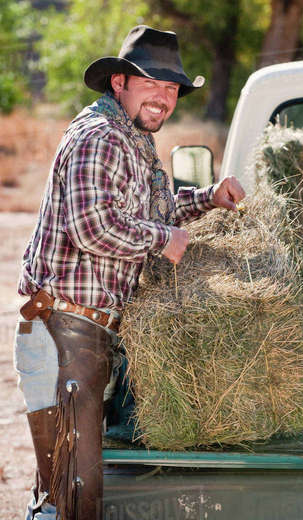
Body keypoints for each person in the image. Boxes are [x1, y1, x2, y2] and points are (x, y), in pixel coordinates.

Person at [15, 25, 245, 520]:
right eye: (151, 84)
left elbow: (154, 214)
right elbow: (91, 227)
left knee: (74, 492)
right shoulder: (99, 137)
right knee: (71, 496)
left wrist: (209, 198)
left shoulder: (133, 139)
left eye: (171, 89)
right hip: (63, 333)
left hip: (83, 332)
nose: (164, 98)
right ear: (118, 82)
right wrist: (165, 241)